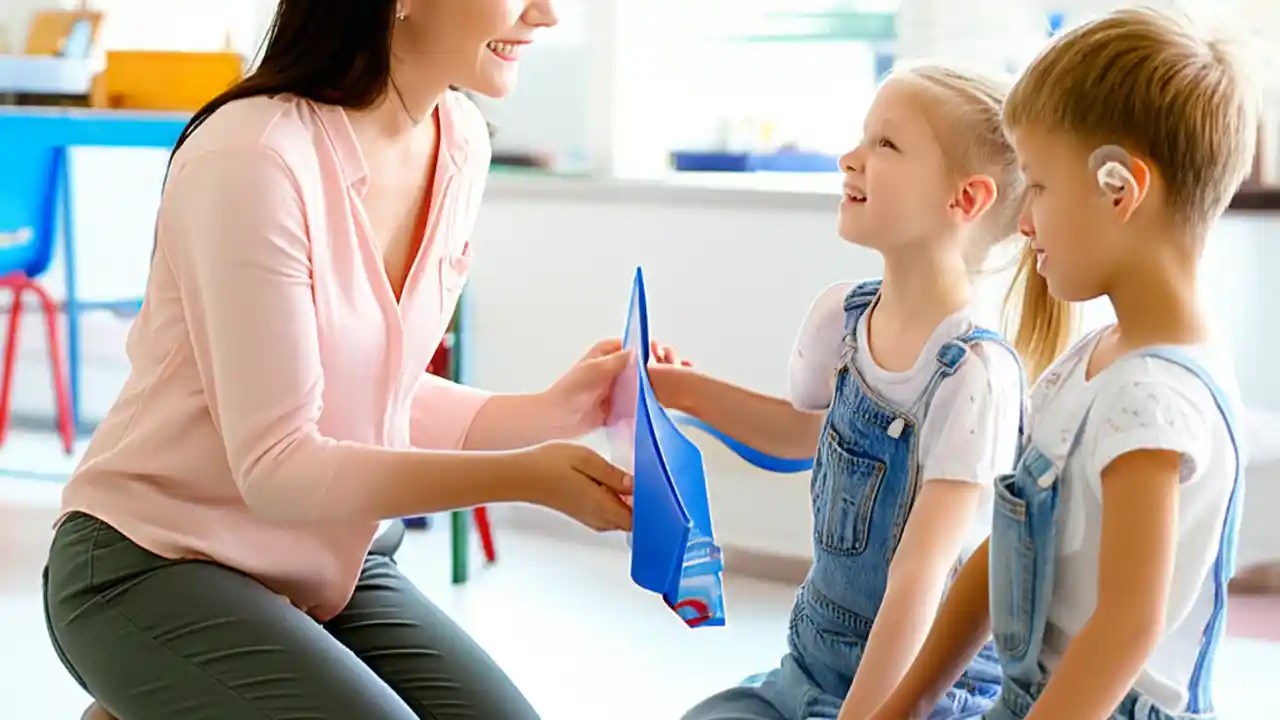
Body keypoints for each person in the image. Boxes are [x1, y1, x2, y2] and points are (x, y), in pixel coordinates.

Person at [42, 1, 664, 718]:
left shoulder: (458, 140)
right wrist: (525, 478)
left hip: (324, 566)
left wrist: (552, 412)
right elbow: (279, 464)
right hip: (152, 561)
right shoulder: (254, 156)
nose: (546, 14)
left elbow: (374, 393)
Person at [866, 7, 1258, 719]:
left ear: (1119, 189)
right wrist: (905, 701)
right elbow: (1006, 557)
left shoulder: (1152, 398)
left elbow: (1126, 629)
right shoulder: (1097, 361)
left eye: (1039, 187)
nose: (1023, 221)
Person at [652, 62, 1039, 720]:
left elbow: (919, 580)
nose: (849, 158)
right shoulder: (841, 320)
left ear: (965, 200)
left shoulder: (975, 375)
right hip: (809, 665)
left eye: (884, 145)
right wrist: (681, 390)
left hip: (921, 691)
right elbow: (801, 436)